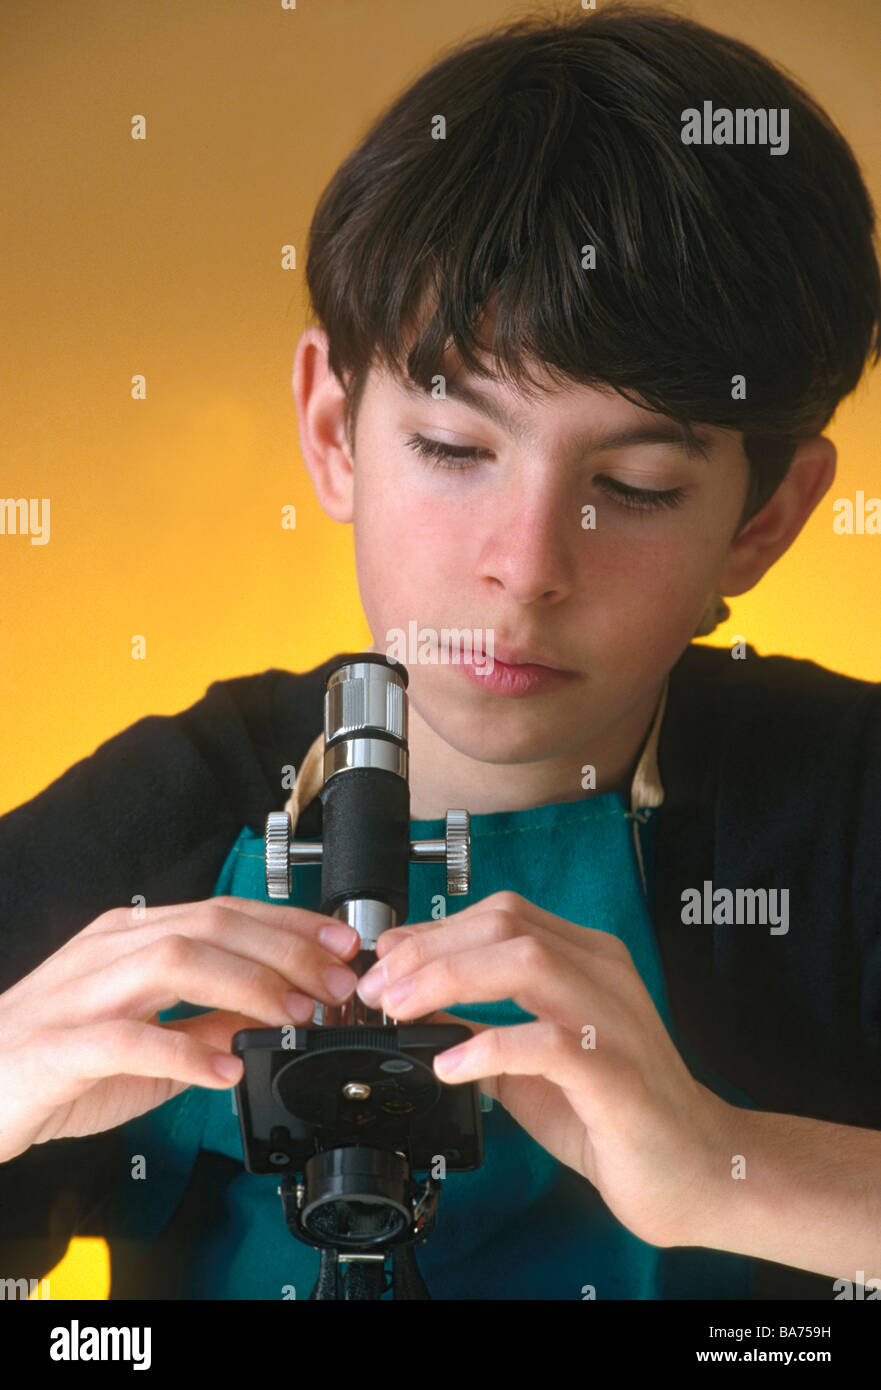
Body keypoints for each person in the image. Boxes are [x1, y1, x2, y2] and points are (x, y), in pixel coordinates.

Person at [1, 4, 880, 1301]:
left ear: (763, 517)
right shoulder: (157, 821)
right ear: (332, 428)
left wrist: (726, 1164)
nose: (526, 565)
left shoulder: (848, 808)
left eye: (633, 483)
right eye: (456, 450)